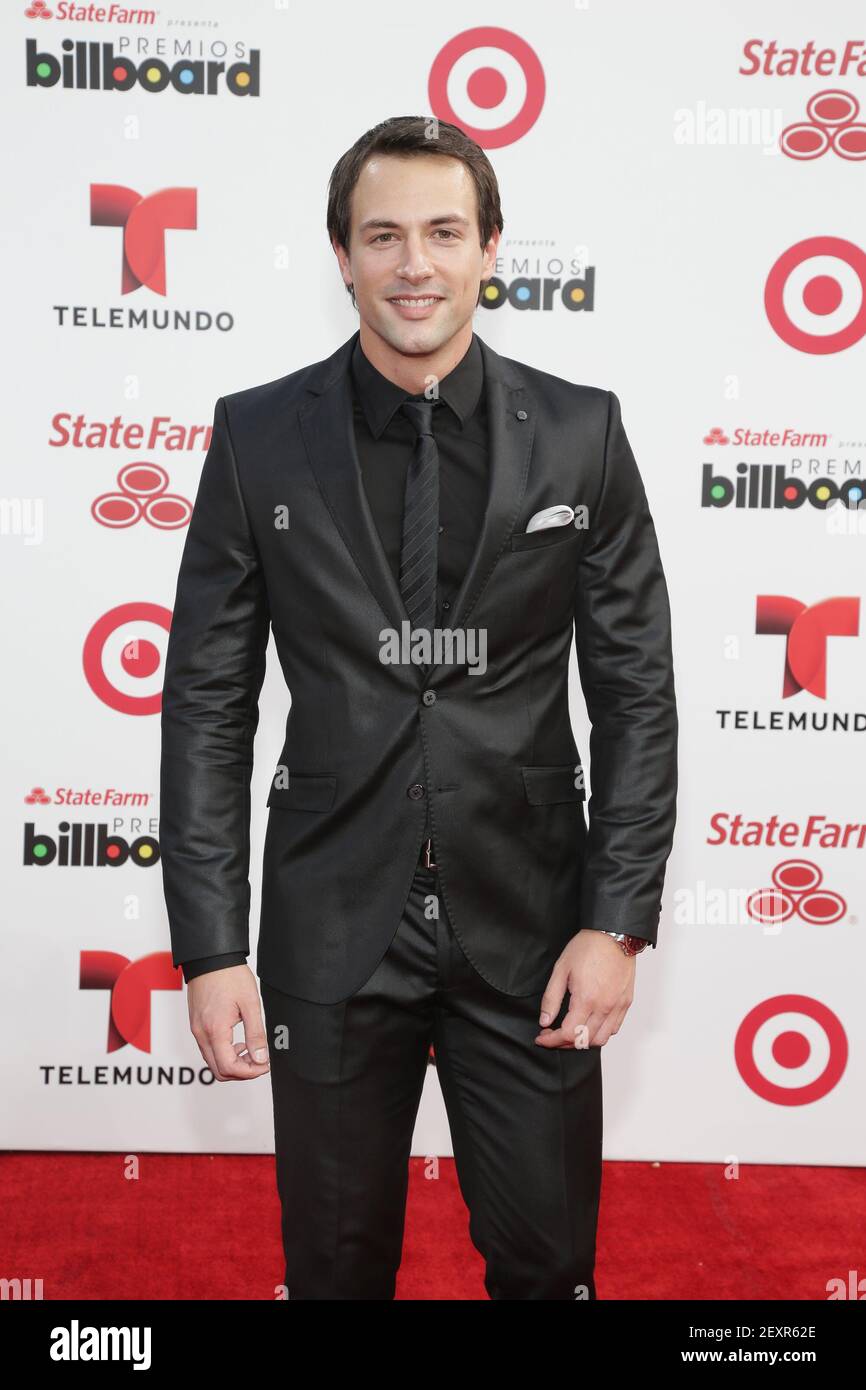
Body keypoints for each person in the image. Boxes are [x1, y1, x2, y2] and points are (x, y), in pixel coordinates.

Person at [159, 115, 678, 1301]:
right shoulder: (256, 436)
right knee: (334, 1270)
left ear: (490, 247)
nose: (413, 263)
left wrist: (617, 922)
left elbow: (635, 694)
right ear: (339, 254)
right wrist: (210, 946)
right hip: (329, 927)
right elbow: (206, 702)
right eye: (381, 234)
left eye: (444, 232)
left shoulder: (583, 432)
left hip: (535, 928)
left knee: (547, 1268)